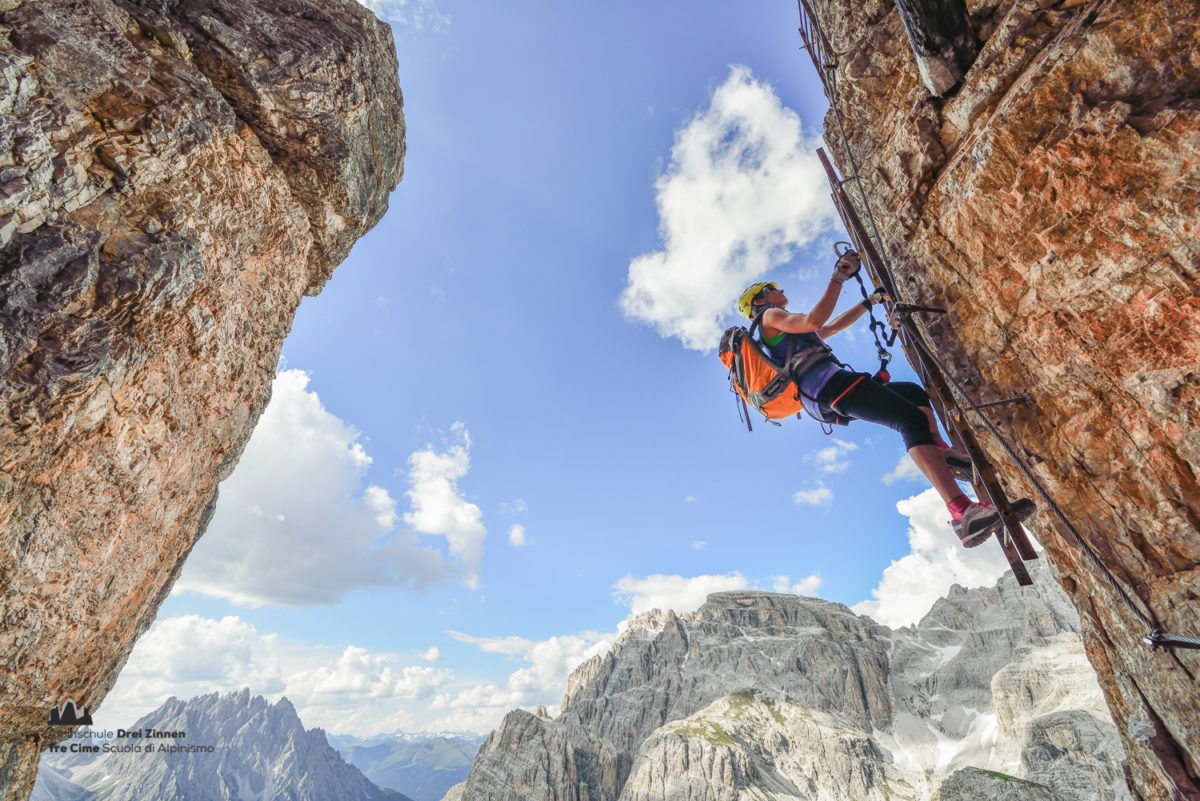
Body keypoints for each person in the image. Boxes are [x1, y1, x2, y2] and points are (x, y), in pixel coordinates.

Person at [737, 250, 1007, 548]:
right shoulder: (770, 317)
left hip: (824, 393)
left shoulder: (778, 332)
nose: (780, 290)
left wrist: (869, 302)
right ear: (759, 301)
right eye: (772, 288)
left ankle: (940, 452)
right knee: (909, 418)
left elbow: (830, 327)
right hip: (828, 386)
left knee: (912, 394)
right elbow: (815, 321)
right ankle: (962, 513)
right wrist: (839, 276)